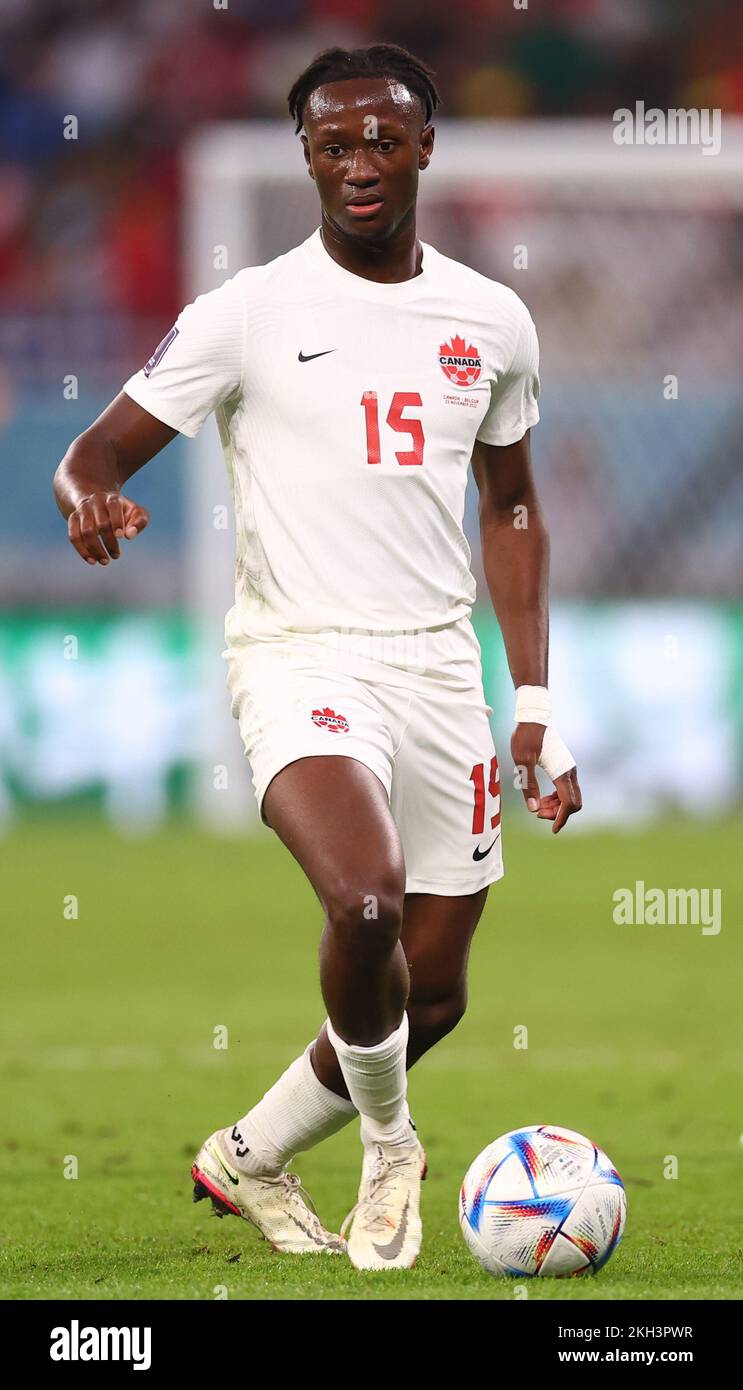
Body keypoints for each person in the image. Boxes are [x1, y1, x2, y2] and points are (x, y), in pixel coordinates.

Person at [53, 42, 582, 1272]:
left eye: (380, 140)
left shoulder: (489, 318)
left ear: (423, 147)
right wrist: (89, 500)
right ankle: (393, 1146)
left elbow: (509, 507)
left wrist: (535, 701)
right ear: (302, 155)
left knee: (432, 992)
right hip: (298, 653)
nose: (357, 164)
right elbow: (96, 454)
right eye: (332, 143)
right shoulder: (244, 313)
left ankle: (249, 1151)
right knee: (364, 900)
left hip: (439, 666)